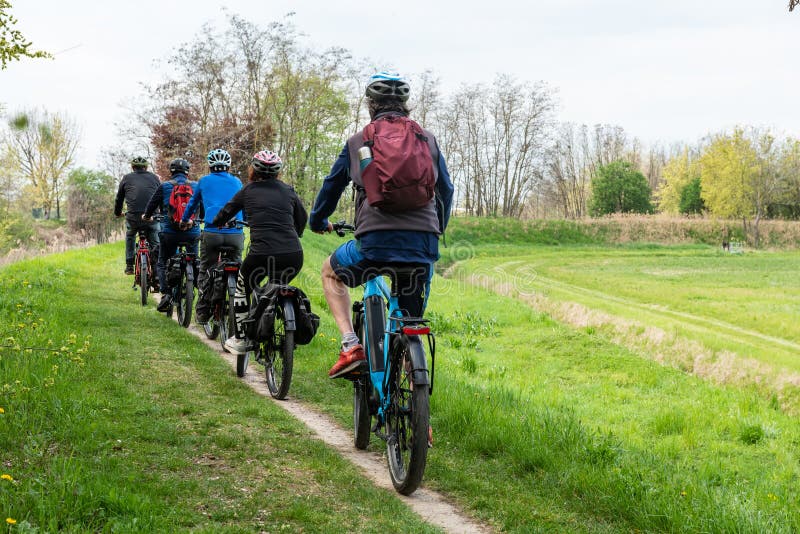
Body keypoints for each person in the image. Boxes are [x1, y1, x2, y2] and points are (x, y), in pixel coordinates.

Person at [308, 70, 454, 379]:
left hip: (374, 245)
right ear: (405, 105)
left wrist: (318, 220)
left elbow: (332, 186)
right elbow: (447, 190)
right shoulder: (427, 140)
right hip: (422, 245)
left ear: (371, 104)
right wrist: (436, 228)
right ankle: (414, 387)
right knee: (409, 319)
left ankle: (351, 345)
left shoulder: (358, 141)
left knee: (330, 272)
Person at [211, 150, 308, 354]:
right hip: (293, 255)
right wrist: (296, 232)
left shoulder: (248, 190)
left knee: (242, 288)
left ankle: (242, 339)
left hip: (261, 256)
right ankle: (270, 322)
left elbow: (227, 210)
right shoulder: (288, 190)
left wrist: (217, 222)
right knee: (275, 285)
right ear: (278, 172)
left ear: (253, 170)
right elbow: (302, 217)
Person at [180, 149, 244, 324]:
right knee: (237, 269)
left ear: (210, 166)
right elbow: (243, 206)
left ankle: (202, 311)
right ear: (228, 166)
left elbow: (192, 204)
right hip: (235, 234)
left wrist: (184, 220)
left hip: (212, 233)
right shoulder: (237, 182)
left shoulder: (204, 181)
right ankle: (238, 309)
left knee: (206, 269)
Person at [142, 158, 201, 312]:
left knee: (162, 261)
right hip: (192, 232)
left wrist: (147, 216)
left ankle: (166, 294)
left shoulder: (165, 186)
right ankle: (198, 289)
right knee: (195, 260)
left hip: (170, 233)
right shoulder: (196, 186)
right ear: (187, 172)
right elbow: (202, 208)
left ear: (171, 171)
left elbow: (151, 206)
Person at [114, 156, 161, 275]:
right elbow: (161, 195)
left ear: (132, 167)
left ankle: (129, 265)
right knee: (155, 243)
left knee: (130, 236)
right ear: (146, 167)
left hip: (133, 218)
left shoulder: (126, 178)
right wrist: (160, 212)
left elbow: (119, 199)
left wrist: (118, 213)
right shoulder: (154, 178)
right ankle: (157, 271)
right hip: (151, 217)